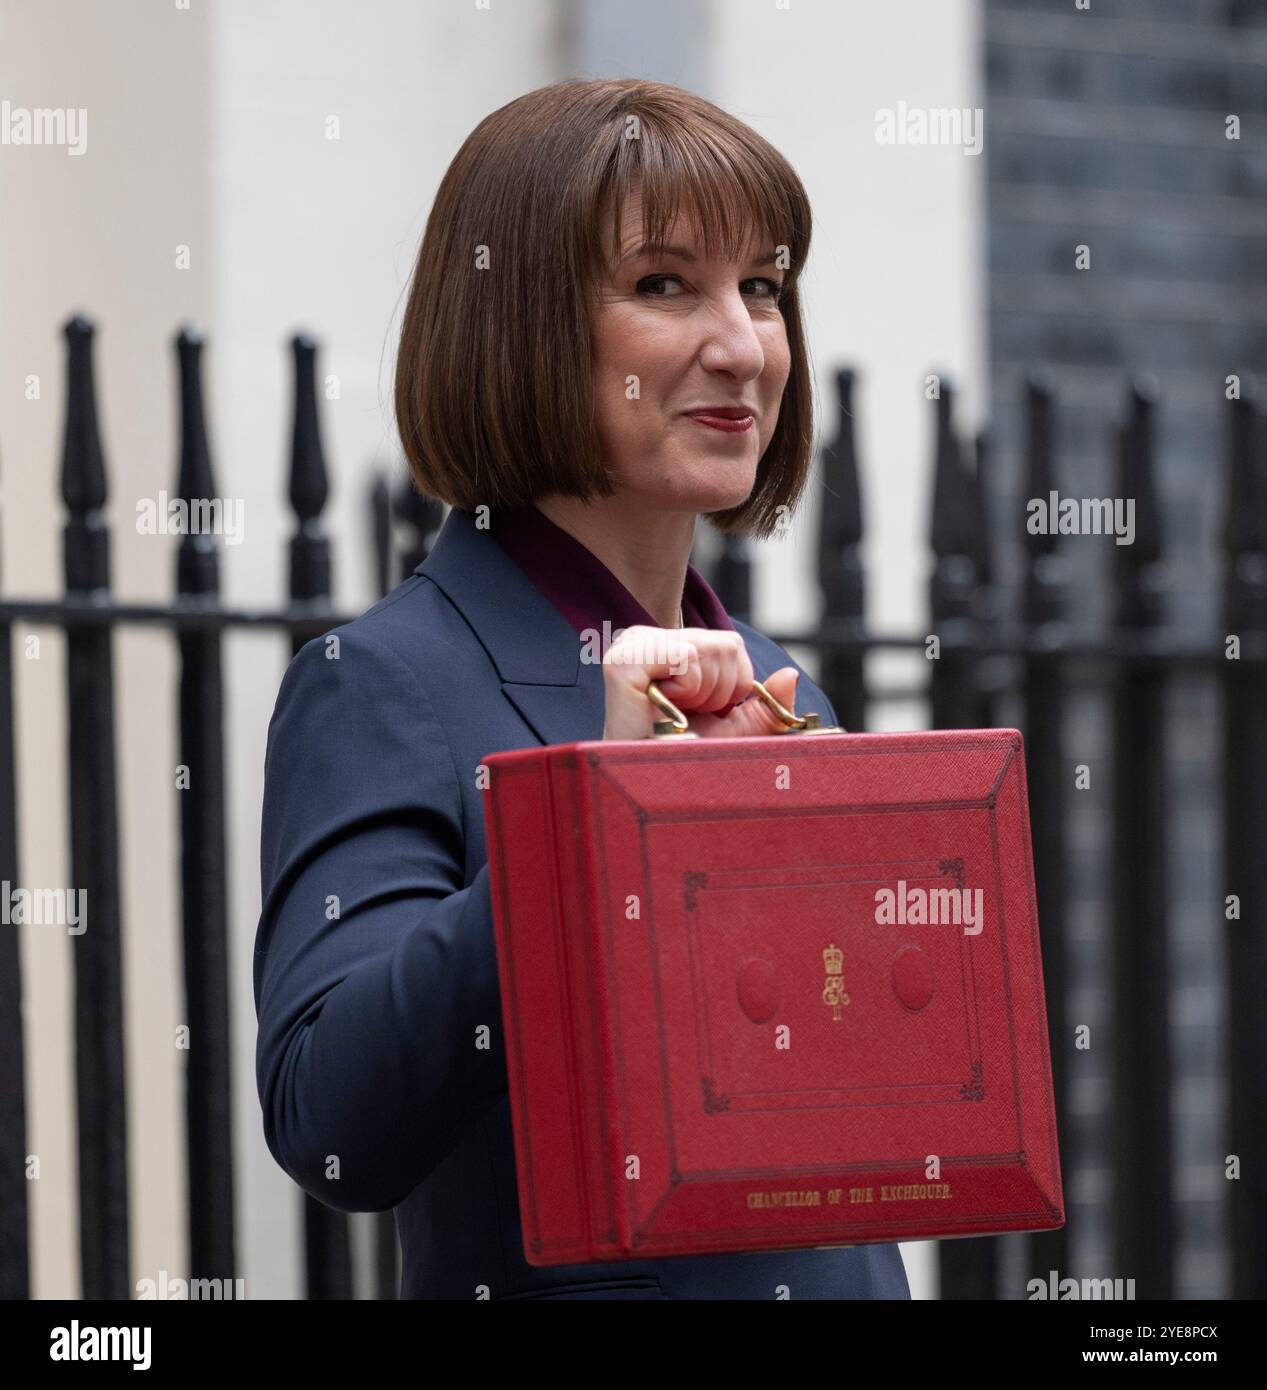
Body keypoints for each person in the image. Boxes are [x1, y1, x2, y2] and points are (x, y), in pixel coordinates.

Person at [254, 76, 910, 1301]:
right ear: (516, 323)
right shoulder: (384, 683)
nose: (742, 345)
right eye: (663, 283)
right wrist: (591, 826)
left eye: (762, 287)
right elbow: (328, 1121)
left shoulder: (785, 686)